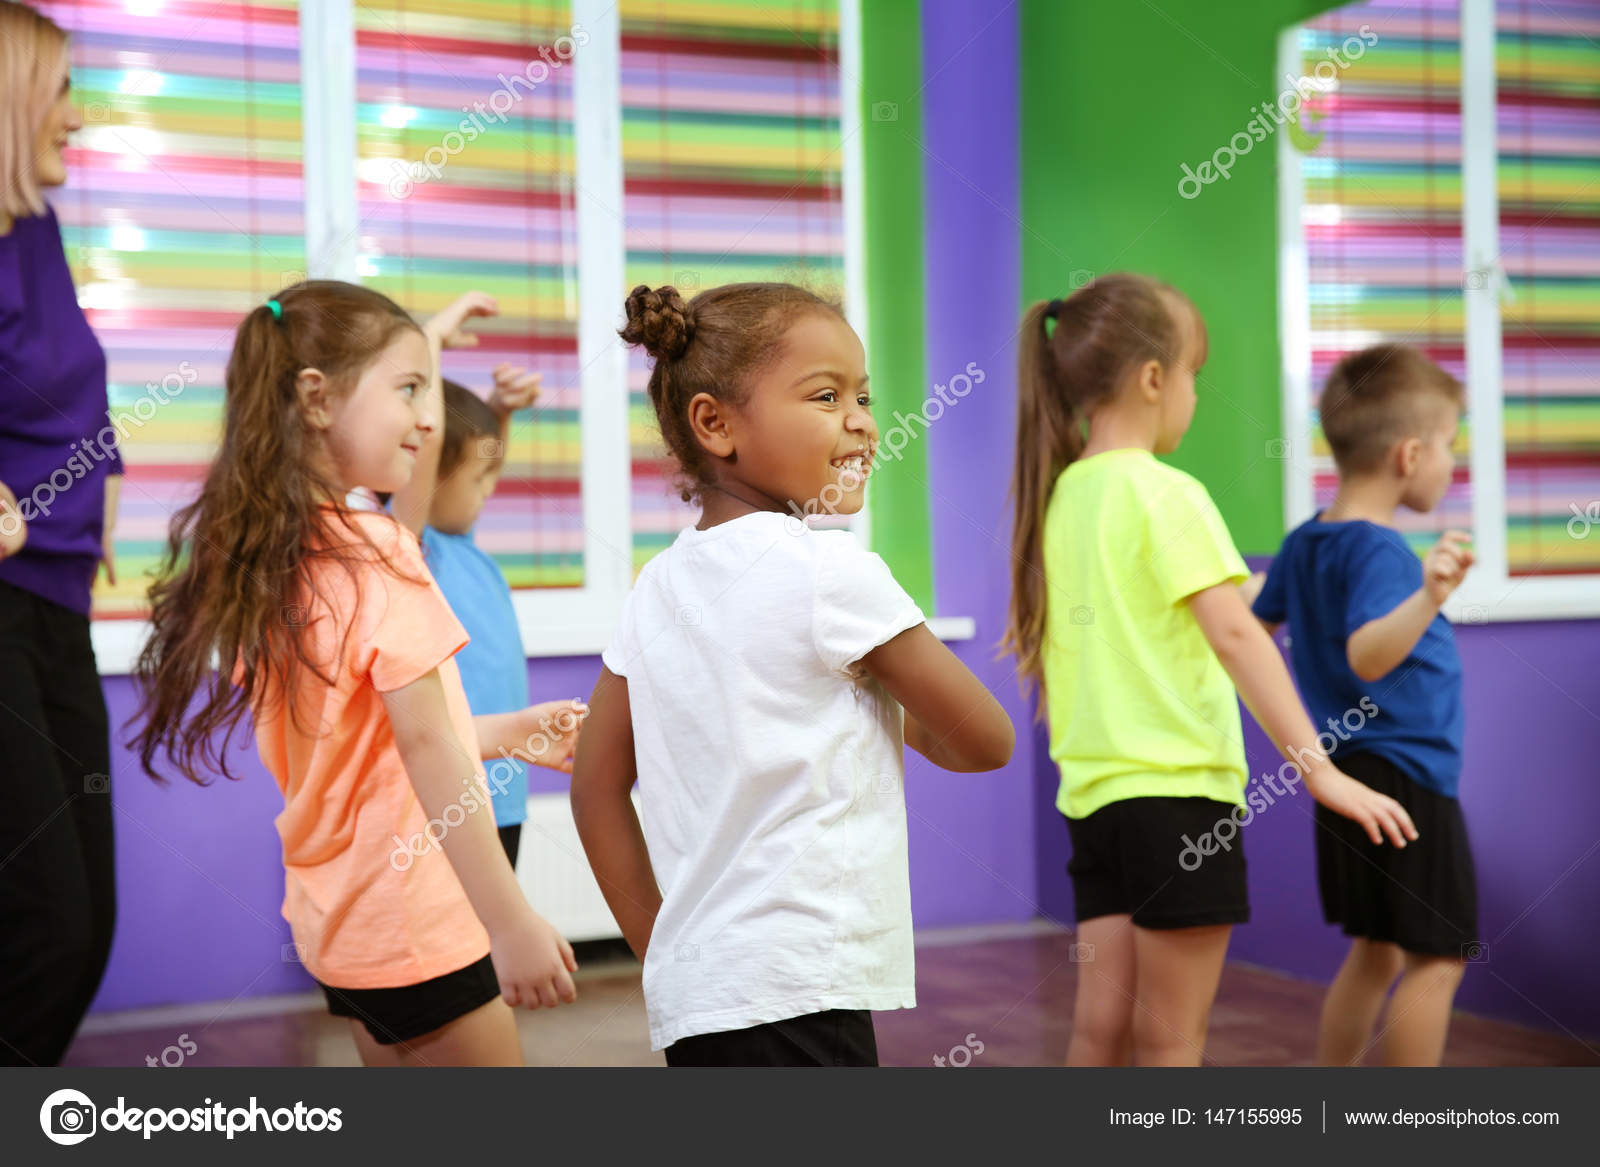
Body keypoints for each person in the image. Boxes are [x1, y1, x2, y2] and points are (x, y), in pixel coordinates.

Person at [132, 280, 583, 1066]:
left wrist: (509, 732)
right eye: (408, 388)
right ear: (316, 398)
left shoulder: (273, 562)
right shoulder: (374, 549)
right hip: (419, 919)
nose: (425, 415)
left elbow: (364, 748)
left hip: (348, 920)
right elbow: (425, 751)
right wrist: (510, 922)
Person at [571, 282, 1015, 1066]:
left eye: (865, 395)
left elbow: (595, 787)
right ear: (716, 424)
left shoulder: (657, 587)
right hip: (802, 981)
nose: (862, 421)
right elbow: (986, 739)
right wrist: (880, 695)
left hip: (701, 997)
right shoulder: (832, 571)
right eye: (826, 394)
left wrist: (662, 949)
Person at [1004, 272, 1417, 1066]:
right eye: (1196, 373)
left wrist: (1254, 590)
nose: (1196, 394)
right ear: (1155, 379)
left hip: (1097, 803)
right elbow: (1235, 636)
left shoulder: (1063, 497)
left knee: (1100, 1030)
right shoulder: (1169, 493)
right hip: (1180, 804)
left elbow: (1172, 610)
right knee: (1171, 1041)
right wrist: (1320, 771)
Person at [1251, 343, 1476, 1066]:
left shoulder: (1307, 538)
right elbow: (1369, 654)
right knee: (1436, 960)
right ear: (1410, 454)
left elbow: (1253, 634)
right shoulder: (1381, 551)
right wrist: (1431, 596)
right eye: (1449, 445)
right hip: (1405, 782)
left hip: (1348, 779)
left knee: (1375, 954)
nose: (1451, 462)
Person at [0, 0, 121, 1066]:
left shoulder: (31, 226)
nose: (79, 116)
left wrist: (102, 486)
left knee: (82, 930)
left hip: (59, 598)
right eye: (66, 89)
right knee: (48, 930)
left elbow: (67, 387)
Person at [388, 291, 564, 867]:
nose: (491, 488)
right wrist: (429, 344)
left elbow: (461, 463)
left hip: (502, 789)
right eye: (482, 478)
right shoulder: (411, 548)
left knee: (489, 946)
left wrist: (500, 414)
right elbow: (436, 440)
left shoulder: (458, 547)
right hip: (452, 791)